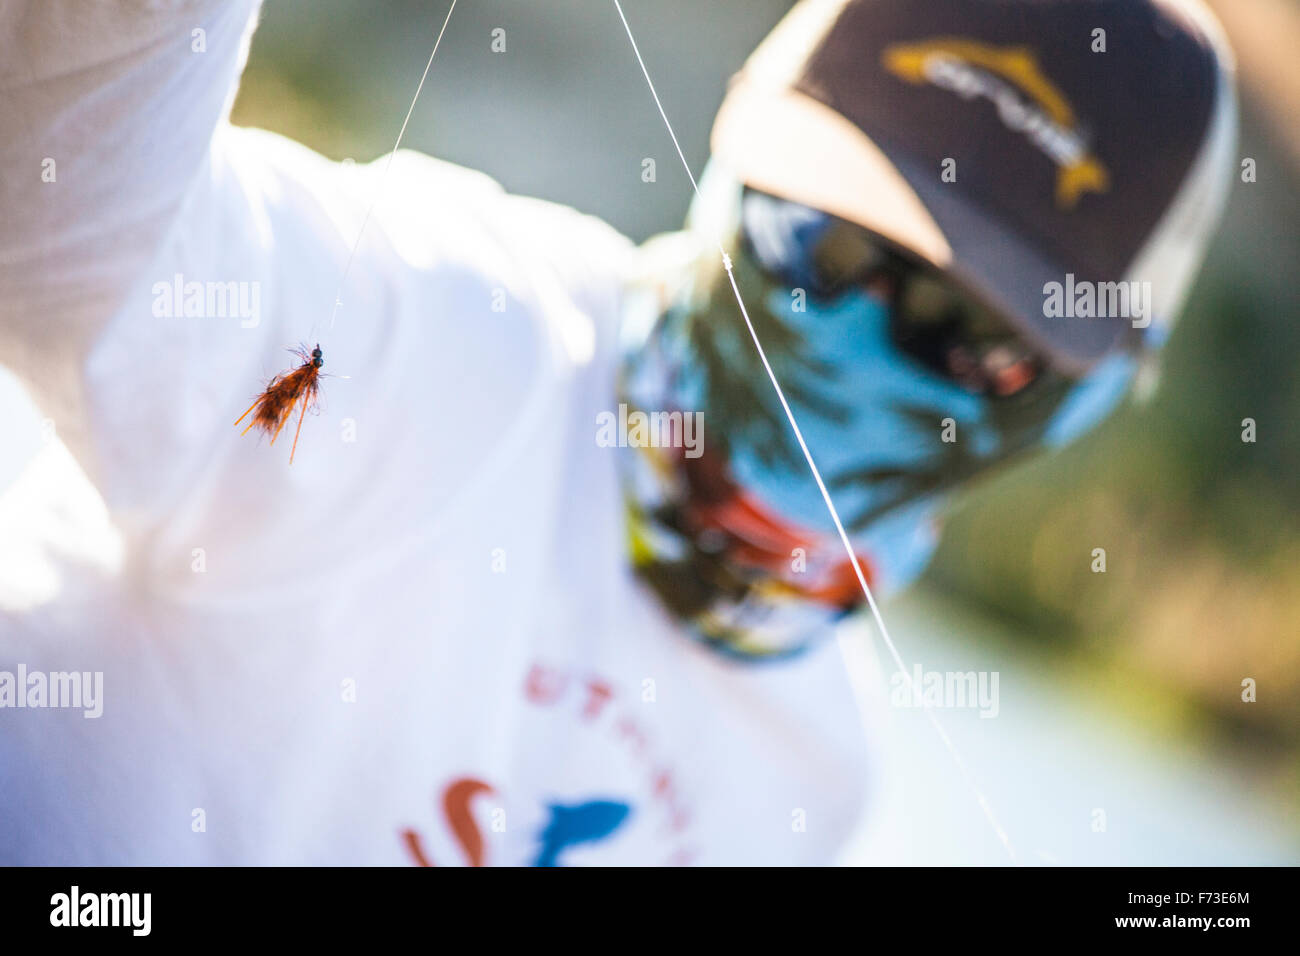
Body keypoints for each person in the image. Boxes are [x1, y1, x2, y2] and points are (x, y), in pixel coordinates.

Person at [0, 0, 1234, 865]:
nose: (852, 329)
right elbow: (68, 224)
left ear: (1084, 398)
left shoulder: (816, 777)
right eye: (819, 245)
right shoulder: (424, 315)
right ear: (736, 141)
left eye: (969, 337)